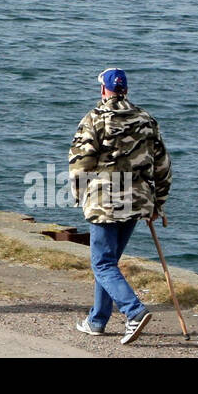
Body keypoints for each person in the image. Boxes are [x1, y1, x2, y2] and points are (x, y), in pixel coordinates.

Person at [68, 67, 172, 344]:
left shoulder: (95, 119)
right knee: (108, 262)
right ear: (125, 89)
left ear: (103, 90)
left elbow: (79, 163)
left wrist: (79, 194)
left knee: (101, 263)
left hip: (104, 201)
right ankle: (97, 320)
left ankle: (134, 311)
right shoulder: (146, 119)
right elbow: (162, 164)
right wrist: (158, 203)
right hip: (137, 200)